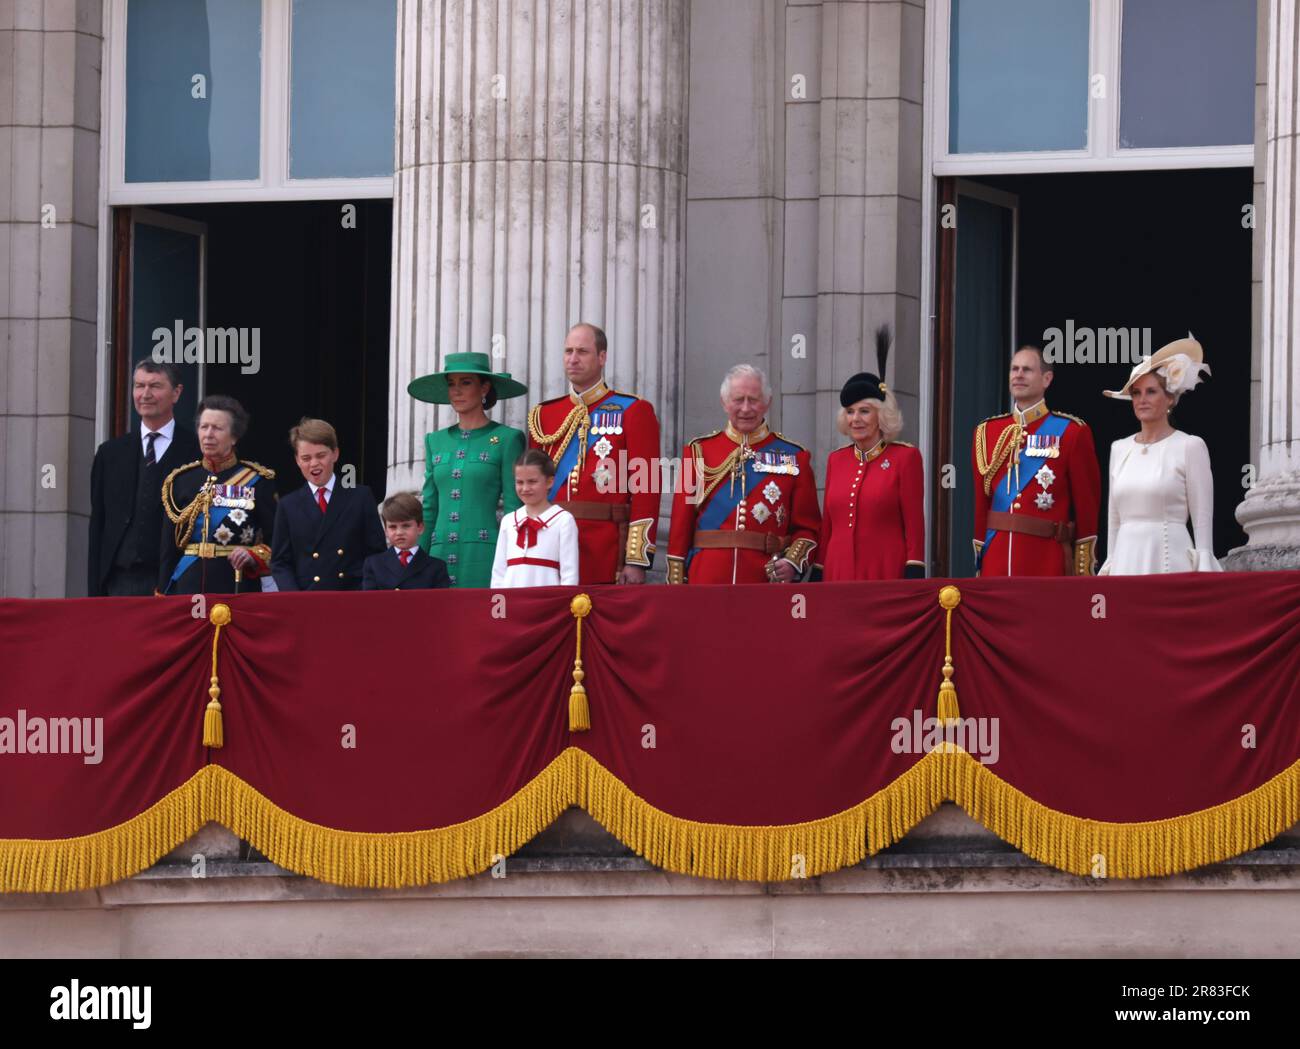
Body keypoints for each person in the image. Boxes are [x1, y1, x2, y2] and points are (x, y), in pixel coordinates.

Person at [527, 323, 661, 585]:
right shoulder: (544, 415)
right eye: (568, 351)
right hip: (548, 543)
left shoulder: (633, 410)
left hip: (605, 547)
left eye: (582, 352)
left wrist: (636, 559)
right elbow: (531, 486)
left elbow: (647, 488)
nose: (573, 359)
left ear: (602, 357)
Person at [666, 364, 820, 584]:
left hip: (764, 580)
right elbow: (680, 527)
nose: (746, 408)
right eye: (738, 400)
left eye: (754, 399)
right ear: (724, 402)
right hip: (706, 578)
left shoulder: (795, 456)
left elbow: (808, 527)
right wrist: (676, 582)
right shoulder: (699, 451)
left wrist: (792, 562)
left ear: (767, 403)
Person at [971, 345, 1101, 577]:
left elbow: (1087, 508)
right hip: (996, 558)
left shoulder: (1071, 432)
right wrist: (981, 558)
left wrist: (1083, 569)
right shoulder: (987, 432)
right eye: (1014, 369)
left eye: (1027, 370)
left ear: (1047, 379)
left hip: (1045, 561)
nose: (1018, 375)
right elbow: (982, 504)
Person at [1099, 337, 1221, 574]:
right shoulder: (1119, 448)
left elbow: (1202, 516)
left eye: (1151, 391)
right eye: (1136, 393)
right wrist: (1111, 560)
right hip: (1125, 560)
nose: (1142, 399)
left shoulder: (1190, 446)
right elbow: (1114, 519)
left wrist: (1205, 561)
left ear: (1170, 399)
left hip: (1169, 559)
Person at [408, 352, 528, 587]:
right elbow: (430, 508)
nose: (456, 391)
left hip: (485, 555)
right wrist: (418, 560)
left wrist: (515, 559)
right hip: (437, 553)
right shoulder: (435, 440)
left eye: (465, 383)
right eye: (451, 384)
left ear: (484, 388)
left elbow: (514, 508)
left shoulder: (507, 439)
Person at [816, 328, 925, 581]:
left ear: (881, 415)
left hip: (885, 570)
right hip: (838, 571)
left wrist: (915, 567)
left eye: (864, 411)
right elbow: (828, 528)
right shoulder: (837, 460)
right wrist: (819, 570)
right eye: (850, 412)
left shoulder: (905, 458)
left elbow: (914, 524)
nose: (856, 419)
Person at [89, 359, 201, 596]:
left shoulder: (196, 451)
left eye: (155, 386)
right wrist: (95, 592)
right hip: (118, 583)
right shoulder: (110, 453)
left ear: (176, 392)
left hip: (176, 583)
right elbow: (98, 524)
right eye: (139, 386)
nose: (145, 394)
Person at [159, 396, 276, 595]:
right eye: (204, 427)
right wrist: (162, 593)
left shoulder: (258, 480)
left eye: (217, 428)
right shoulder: (181, 480)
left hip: (237, 585)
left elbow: (277, 541)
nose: (208, 435)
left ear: (234, 437)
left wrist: (253, 555)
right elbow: (168, 548)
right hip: (187, 585)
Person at [270, 418, 386, 591]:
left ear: (335, 454)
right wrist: (294, 599)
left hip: (351, 598)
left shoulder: (360, 497)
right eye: (306, 458)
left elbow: (376, 554)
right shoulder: (288, 505)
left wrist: (365, 594)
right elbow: (280, 563)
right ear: (297, 461)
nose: (314, 463)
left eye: (321, 455)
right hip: (307, 601)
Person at [491, 450, 580, 587]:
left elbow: (570, 574)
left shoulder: (563, 521)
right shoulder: (508, 521)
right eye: (520, 482)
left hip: (548, 603)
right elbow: (498, 573)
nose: (525, 488)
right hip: (511, 603)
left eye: (532, 481)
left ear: (550, 482)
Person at [363, 492, 451, 590]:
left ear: (420, 528)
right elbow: (370, 602)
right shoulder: (374, 565)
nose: (399, 532)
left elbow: (440, 603)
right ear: (386, 531)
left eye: (406, 526)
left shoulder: (436, 567)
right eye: (393, 527)